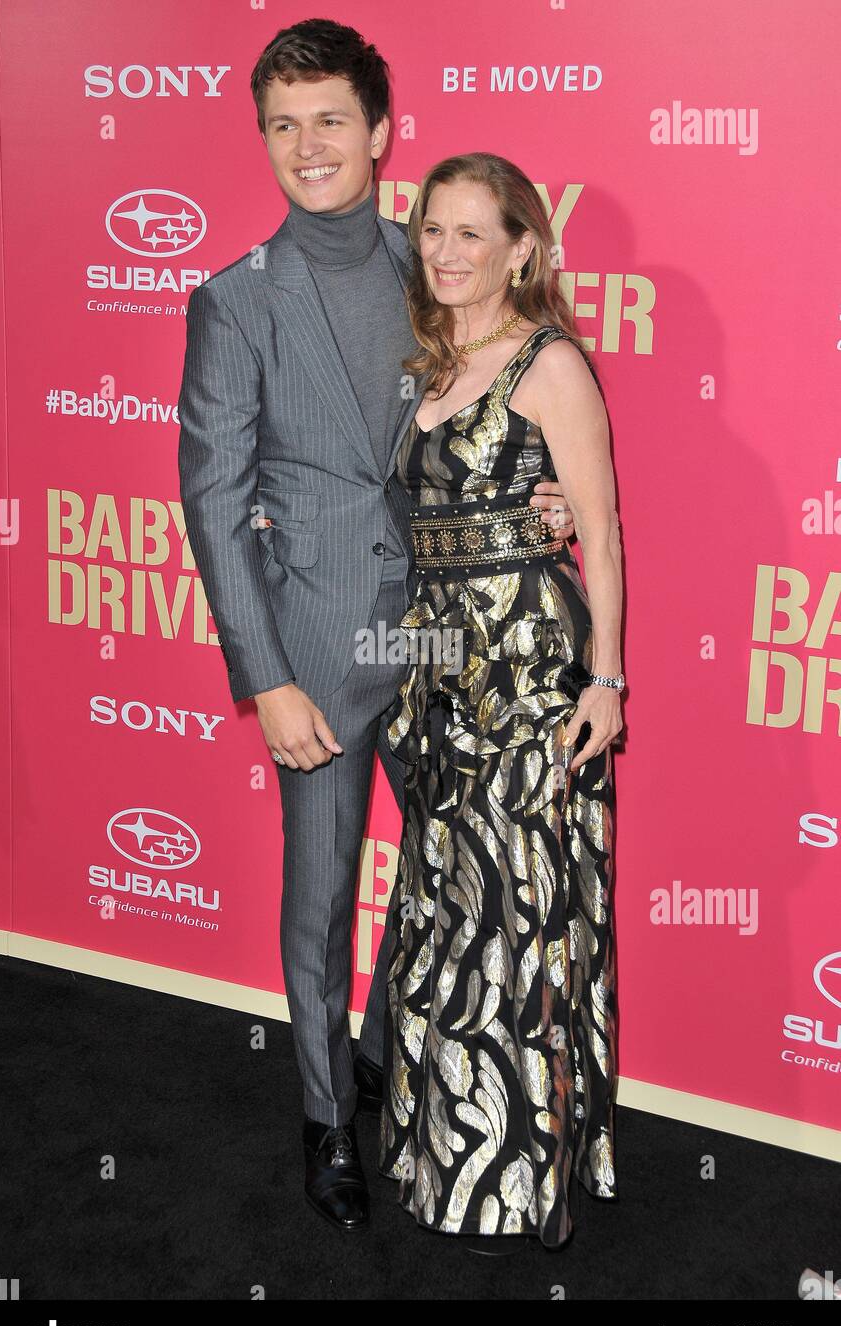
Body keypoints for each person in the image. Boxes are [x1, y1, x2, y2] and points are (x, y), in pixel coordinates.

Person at [176, 19, 575, 1232]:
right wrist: (269, 676)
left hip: (451, 641)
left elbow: (492, 409)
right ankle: (322, 1121)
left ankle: (408, 1068)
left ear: (381, 131)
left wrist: (537, 495)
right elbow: (210, 500)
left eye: (329, 119)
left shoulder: (434, 266)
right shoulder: (233, 301)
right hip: (324, 651)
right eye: (283, 125)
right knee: (321, 898)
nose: (307, 146)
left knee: (455, 878)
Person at [376, 152, 624, 1250]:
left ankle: (532, 1169)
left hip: (529, 673)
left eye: (471, 233)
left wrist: (606, 678)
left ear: (522, 246)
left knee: (524, 916)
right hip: (433, 672)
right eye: (431, 230)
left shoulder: (550, 363)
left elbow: (604, 537)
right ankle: (451, 1152)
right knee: (445, 906)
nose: (445, 252)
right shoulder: (423, 361)